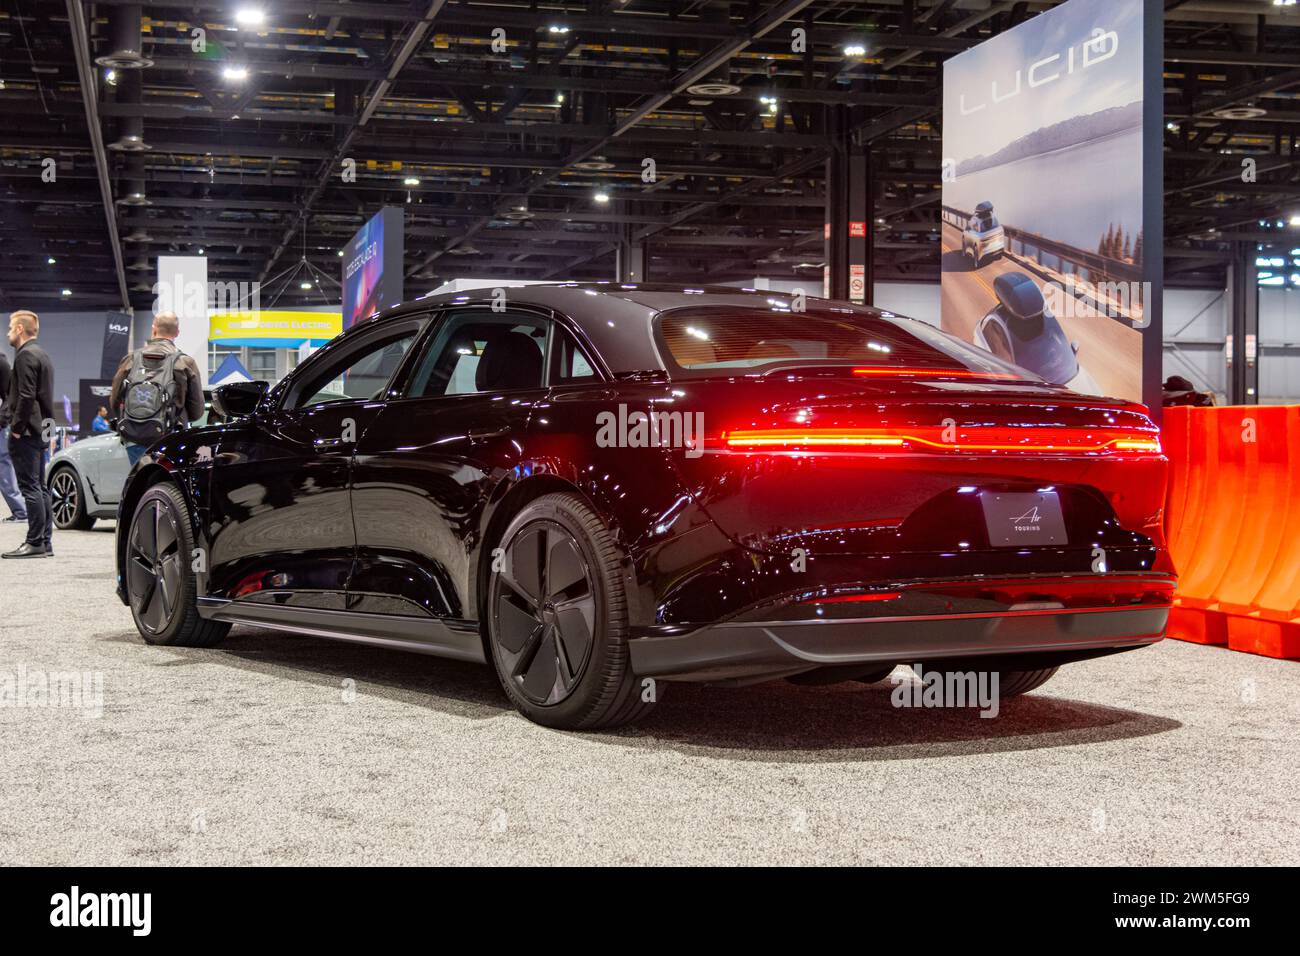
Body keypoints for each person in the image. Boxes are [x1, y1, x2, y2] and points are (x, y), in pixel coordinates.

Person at [109, 311, 204, 466]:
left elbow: (114, 399)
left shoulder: (131, 359)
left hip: (134, 435)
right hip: (170, 438)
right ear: (177, 333)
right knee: (166, 484)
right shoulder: (185, 362)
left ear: (153, 330)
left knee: (139, 482)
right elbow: (197, 410)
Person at [1, 310, 55, 558]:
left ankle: (34, 542)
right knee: (41, 486)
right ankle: (45, 542)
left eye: (11, 328)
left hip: (28, 431)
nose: (8, 332)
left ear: (20, 329)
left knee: (31, 487)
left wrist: (16, 429)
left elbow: (25, 396)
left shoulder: (24, 356)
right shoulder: (42, 354)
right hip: (42, 428)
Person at [0, 350, 28, 524]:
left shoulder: (1, 363)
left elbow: (9, 395)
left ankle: (20, 511)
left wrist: (2, 419)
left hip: (2, 425)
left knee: (4, 464)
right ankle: (19, 511)